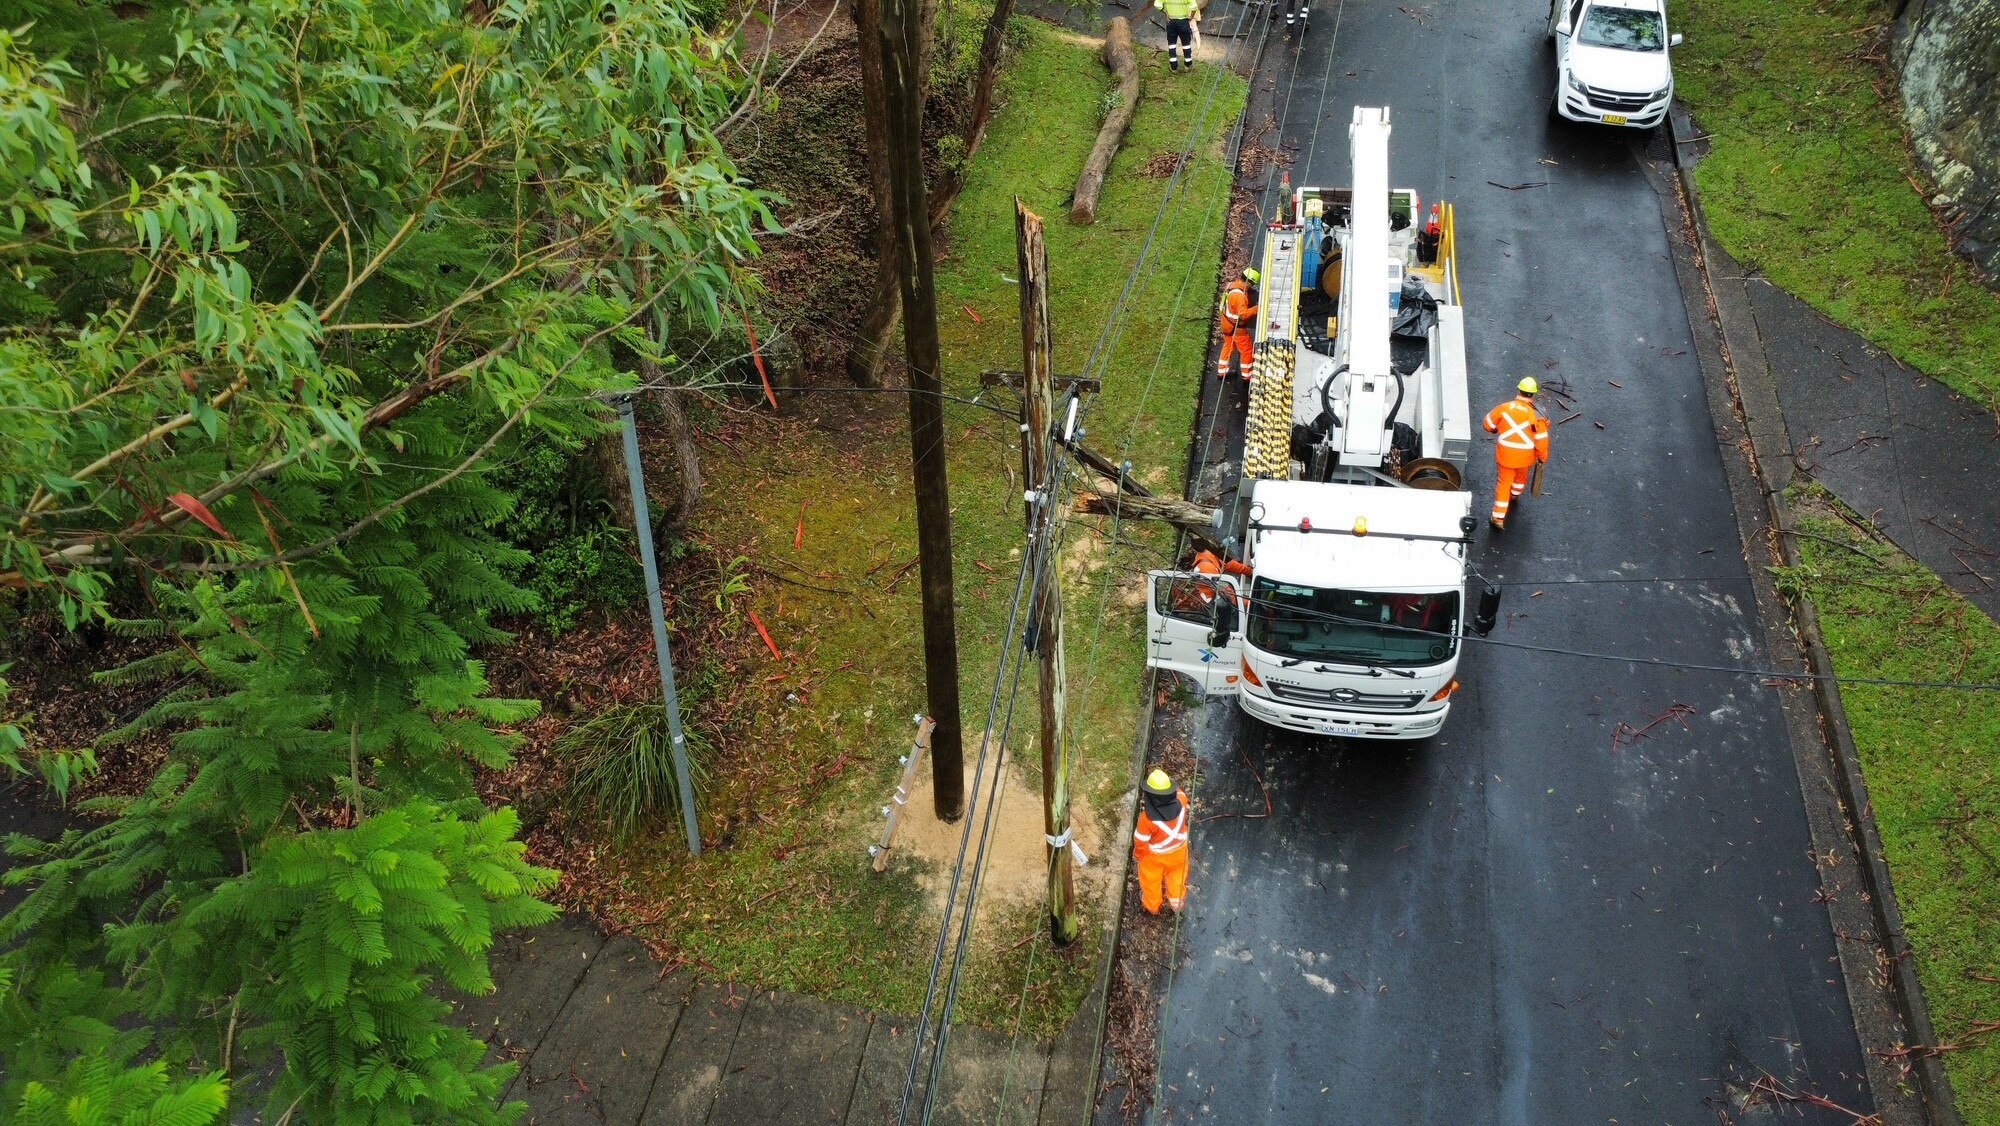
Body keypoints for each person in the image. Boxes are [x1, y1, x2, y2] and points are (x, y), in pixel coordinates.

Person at [1481, 376, 1549, 532]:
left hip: (1505, 455)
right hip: (1525, 457)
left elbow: (1488, 424)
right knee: (1520, 477)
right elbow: (1541, 441)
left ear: (1519, 390)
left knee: (1504, 483)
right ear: (1533, 394)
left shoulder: (1504, 408)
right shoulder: (1538, 415)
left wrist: (1495, 429)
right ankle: (1515, 494)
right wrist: (1542, 457)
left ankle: (1498, 518)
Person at [1133, 768, 1191, 914]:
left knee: (1150, 880)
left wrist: (1139, 856)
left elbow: (1140, 842)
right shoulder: (1182, 800)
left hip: (1155, 857)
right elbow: (1179, 792)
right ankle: (1176, 902)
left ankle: (1152, 907)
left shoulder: (1146, 819)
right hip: (1179, 851)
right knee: (1177, 876)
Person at [1215, 267, 1260, 381]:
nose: (1252, 286)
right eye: (1252, 284)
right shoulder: (1240, 296)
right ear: (1249, 281)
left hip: (1226, 324)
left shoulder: (1232, 285)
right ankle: (1247, 375)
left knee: (1228, 346)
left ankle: (1222, 372)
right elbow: (1243, 315)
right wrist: (1257, 308)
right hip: (1237, 328)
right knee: (1246, 350)